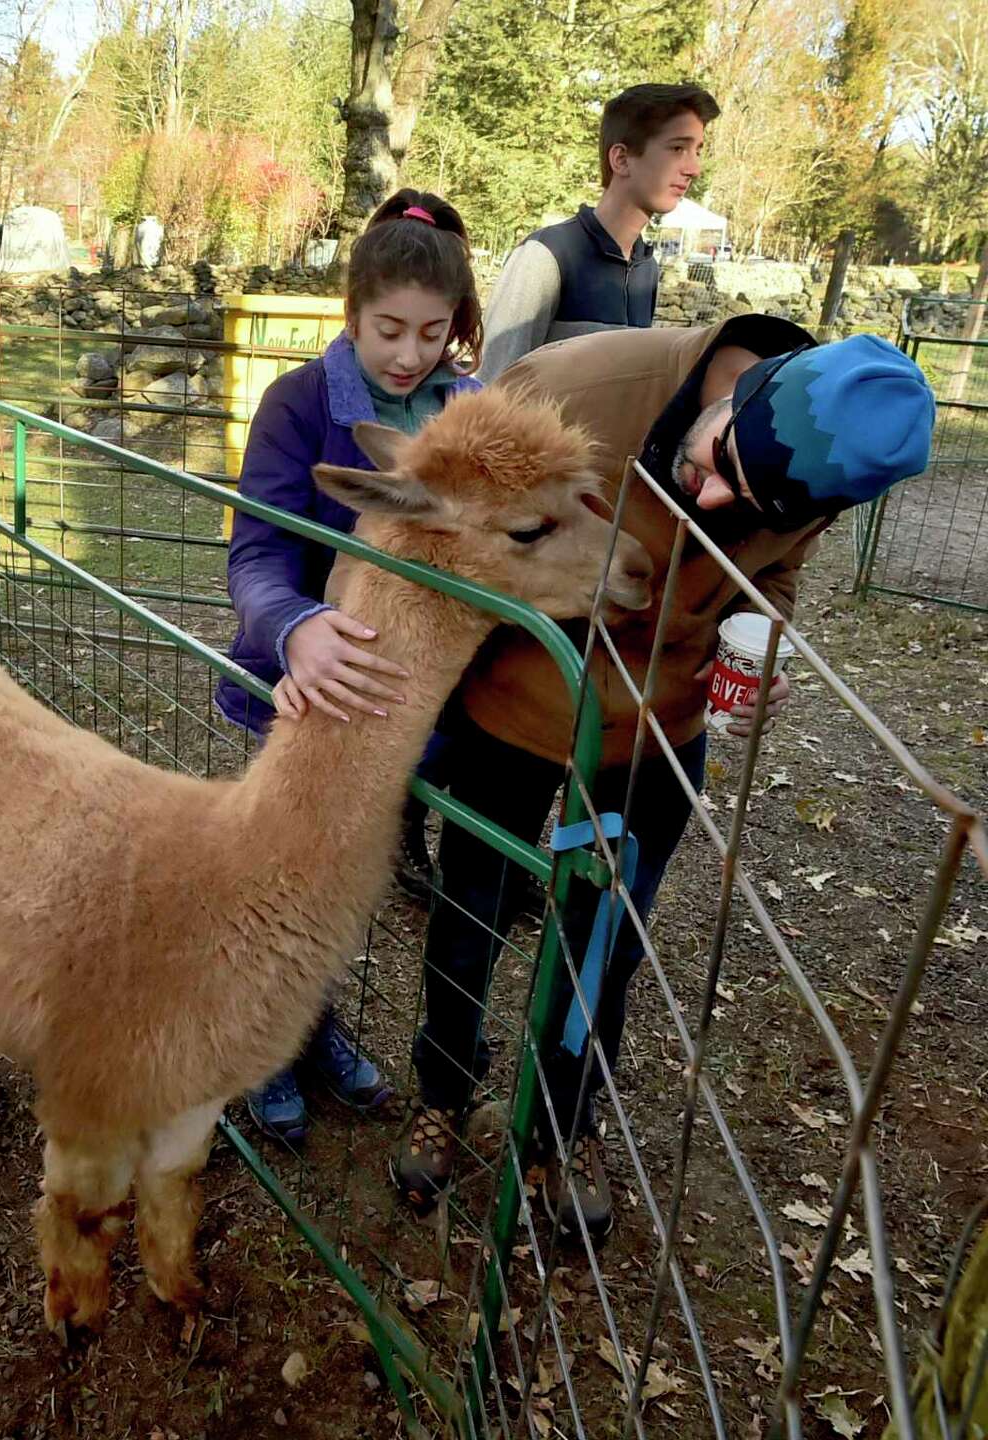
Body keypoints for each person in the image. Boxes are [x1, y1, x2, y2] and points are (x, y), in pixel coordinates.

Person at [389, 319, 936, 1239]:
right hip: (520, 704)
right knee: (471, 907)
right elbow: (439, 521)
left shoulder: (820, 477)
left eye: (749, 504)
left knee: (607, 935)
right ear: (751, 388)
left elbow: (776, 579)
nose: (713, 497)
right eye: (720, 460)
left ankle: (564, 1122)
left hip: (656, 733)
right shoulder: (576, 388)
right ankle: (444, 1091)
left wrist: (762, 644)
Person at [215, 188, 485, 1146]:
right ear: (353, 314)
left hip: (411, 707)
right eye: (389, 331)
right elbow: (256, 550)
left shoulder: (469, 411)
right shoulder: (298, 404)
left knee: (343, 887)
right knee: (280, 881)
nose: (410, 355)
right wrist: (293, 626)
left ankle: (312, 1027)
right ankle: (267, 1048)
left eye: (432, 332)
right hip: (308, 682)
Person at [477, 83, 721, 383]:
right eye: (677, 148)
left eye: (697, 151)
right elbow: (490, 386)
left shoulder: (647, 269)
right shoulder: (545, 256)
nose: (694, 168)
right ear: (621, 159)